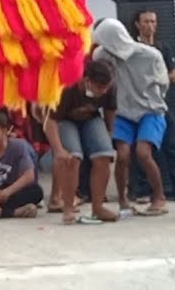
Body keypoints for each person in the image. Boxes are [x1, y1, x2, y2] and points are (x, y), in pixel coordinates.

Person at [91, 18, 169, 217]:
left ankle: (159, 197)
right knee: (123, 155)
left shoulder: (151, 55)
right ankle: (123, 200)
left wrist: (151, 98)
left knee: (144, 152)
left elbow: (164, 84)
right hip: (122, 111)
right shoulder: (101, 56)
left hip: (150, 110)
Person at [45, 59, 118, 225]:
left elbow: (110, 110)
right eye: (99, 87)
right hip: (64, 120)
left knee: (104, 155)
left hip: (91, 119)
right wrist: (58, 150)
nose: (103, 91)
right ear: (87, 80)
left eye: (106, 88)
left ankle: (98, 207)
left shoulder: (110, 88)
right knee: (72, 157)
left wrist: (108, 134)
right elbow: (51, 122)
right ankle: (68, 208)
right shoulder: (67, 88)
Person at [131, 10, 175, 204]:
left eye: (153, 21)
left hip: (161, 105)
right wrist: (158, 76)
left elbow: (173, 76)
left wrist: (154, 77)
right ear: (137, 25)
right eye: (146, 21)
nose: (150, 25)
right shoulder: (133, 48)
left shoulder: (163, 48)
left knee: (172, 147)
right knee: (141, 150)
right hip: (139, 106)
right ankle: (142, 191)